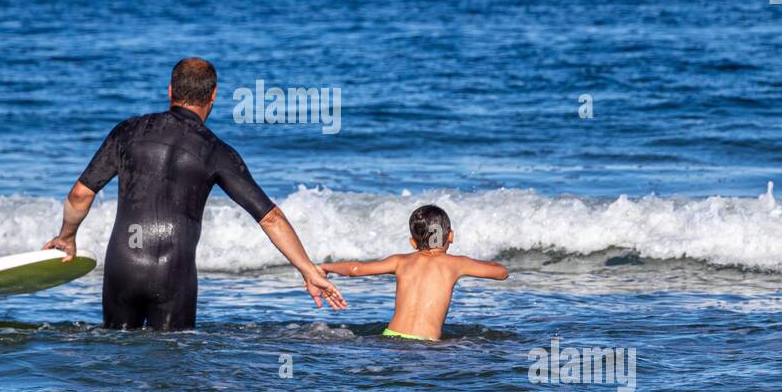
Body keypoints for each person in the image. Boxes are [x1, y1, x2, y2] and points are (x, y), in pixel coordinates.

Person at [44, 57, 346, 330]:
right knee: (173, 370)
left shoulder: (128, 132)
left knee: (117, 356)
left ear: (170, 90)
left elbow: (80, 194)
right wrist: (308, 270)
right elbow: (270, 218)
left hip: (123, 267)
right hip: (171, 274)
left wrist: (67, 236)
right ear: (213, 96)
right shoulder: (216, 151)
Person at [321, 204, 507, 341]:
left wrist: (324, 267)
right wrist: (487, 261)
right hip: (427, 345)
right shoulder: (457, 263)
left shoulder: (400, 261)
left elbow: (356, 269)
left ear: (412, 242)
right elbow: (501, 273)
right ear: (450, 236)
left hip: (390, 339)